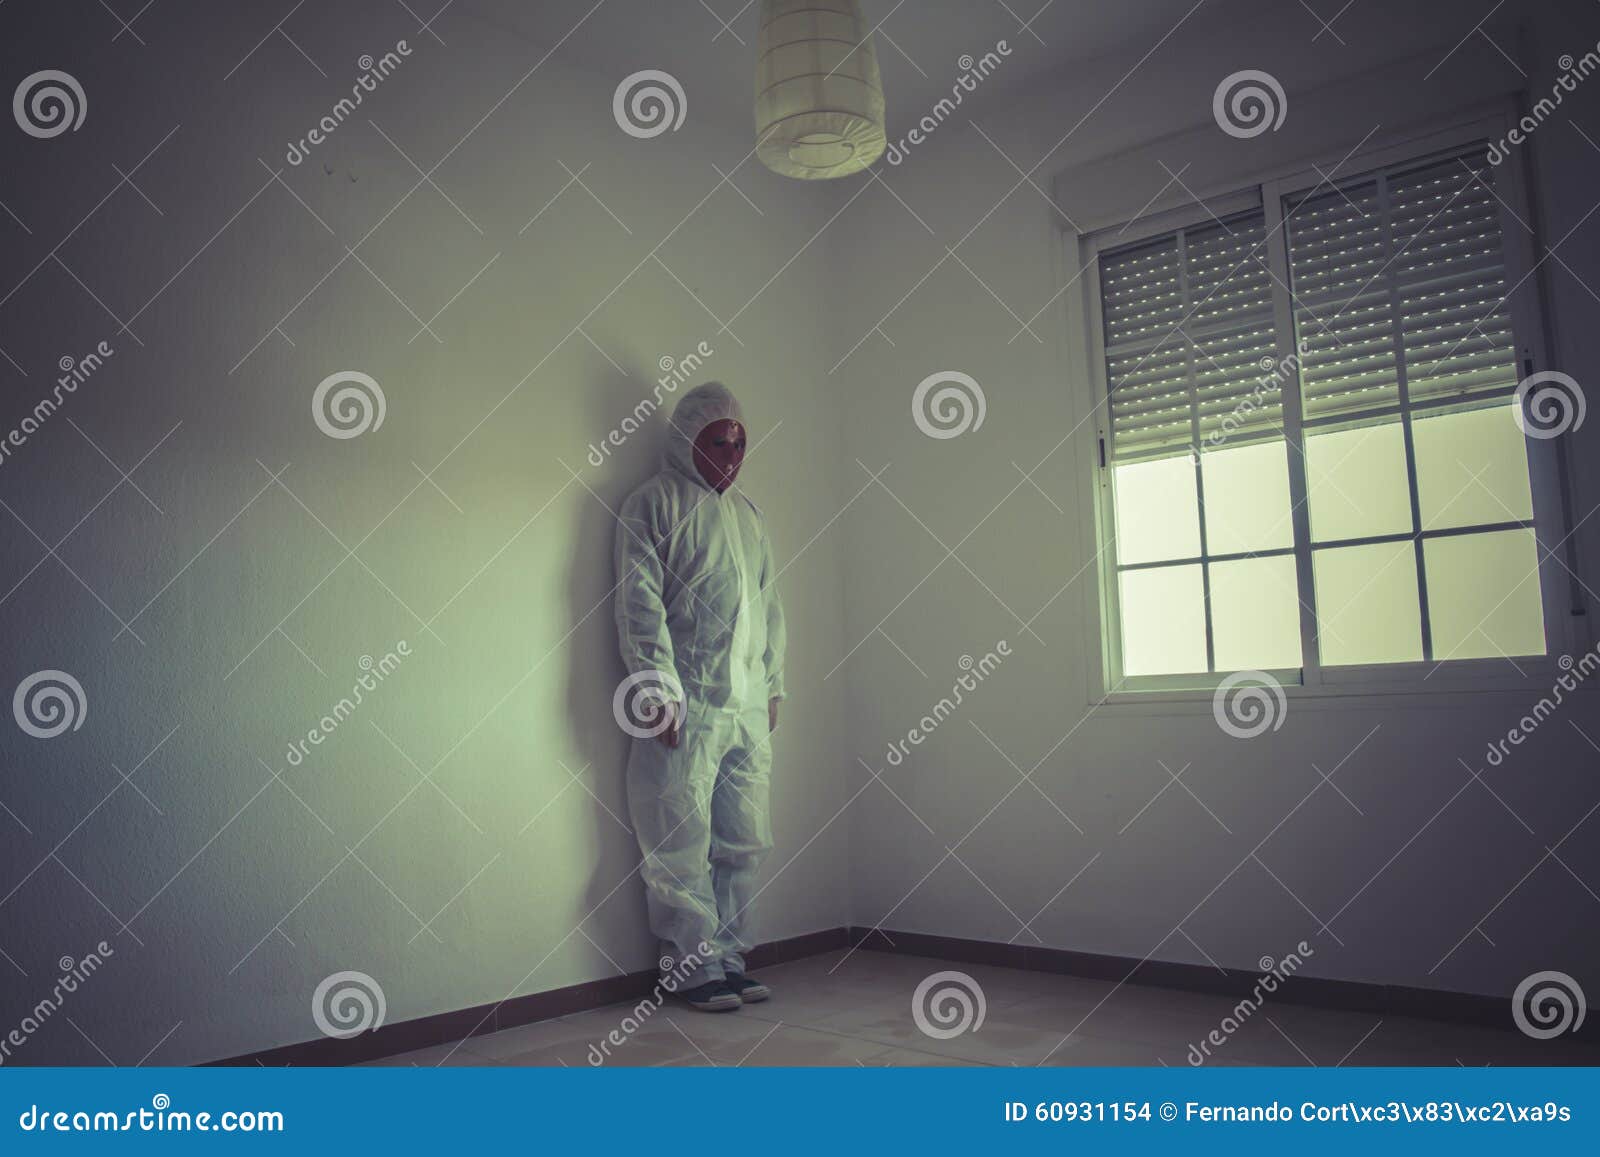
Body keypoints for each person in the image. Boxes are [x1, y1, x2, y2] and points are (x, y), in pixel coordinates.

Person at [613, 381, 786, 1012]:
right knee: (678, 832)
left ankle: (732, 957)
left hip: (745, 705)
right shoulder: (652, 504)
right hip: (686, 701)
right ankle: (691, 966)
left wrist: (773, 685)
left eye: (740, 443)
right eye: (719, 442)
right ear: (690, 439)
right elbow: (639, 602)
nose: (733, 455)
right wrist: (655, 687)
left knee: (745, 837)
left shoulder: (749, 516)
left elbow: (770, 609)